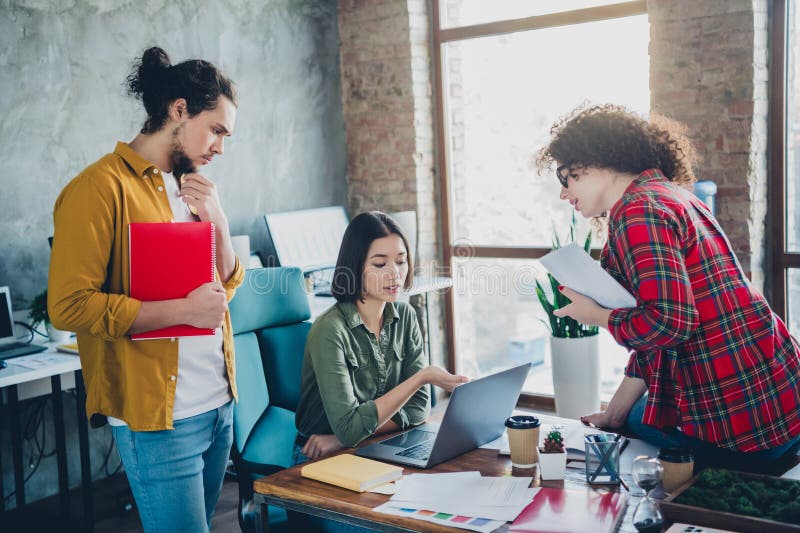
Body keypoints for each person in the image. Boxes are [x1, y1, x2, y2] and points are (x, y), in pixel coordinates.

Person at [536, 103, 800, 472]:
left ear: (597, 163)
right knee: (630, 418)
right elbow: (659, 337)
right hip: (781, 395)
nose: (565, 194)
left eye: (568, 178)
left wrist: (597, 316)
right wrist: (614, 414)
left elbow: (671, 324)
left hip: (747, 421)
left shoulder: (638, 213)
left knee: (637, 431)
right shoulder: (667, 194)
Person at [48, 46, 243, 532]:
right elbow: (69, 305)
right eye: (216, 129)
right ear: (179, 109)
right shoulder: (98, 188)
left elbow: (227, 290)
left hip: (219, 405)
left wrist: (217, 219)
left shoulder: (195, 186)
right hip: (159, 421)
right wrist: (184, 309)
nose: (220, 146)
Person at [294, 212, 468, 463]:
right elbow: (350, 427)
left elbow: (419, 409)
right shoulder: (329, 330)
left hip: (365, 444)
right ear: (355, 266)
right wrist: (422, 377)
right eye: (379, 264)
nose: (394, 273)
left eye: (401, 261)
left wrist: (344, 437)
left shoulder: (405, 316)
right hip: (318, 456)